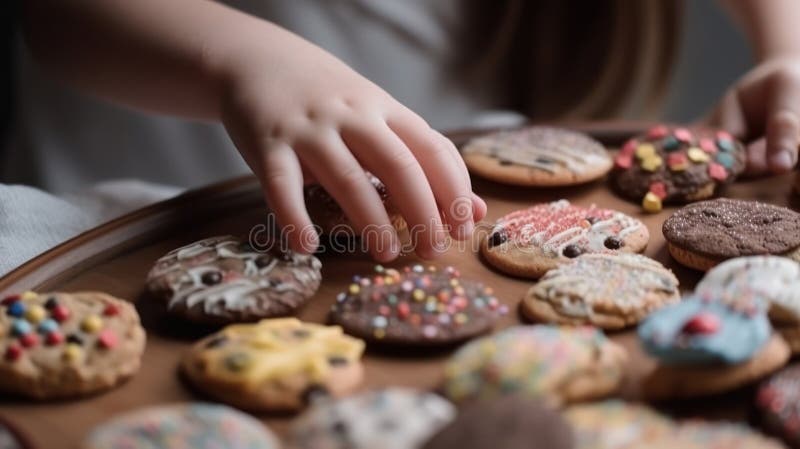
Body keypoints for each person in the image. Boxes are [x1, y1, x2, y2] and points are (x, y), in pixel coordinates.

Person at [3, 0, 799, 273]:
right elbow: (58, 18)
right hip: (128, 210)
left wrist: (787, 47)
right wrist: (240, 61)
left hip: (459, 211)